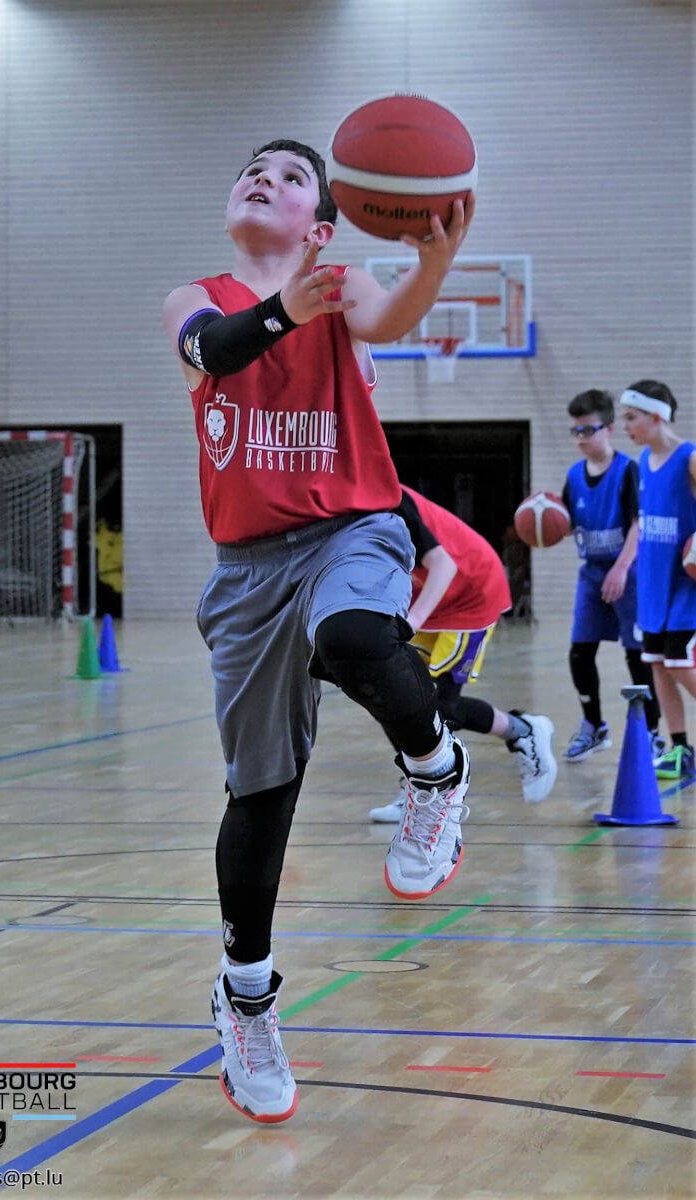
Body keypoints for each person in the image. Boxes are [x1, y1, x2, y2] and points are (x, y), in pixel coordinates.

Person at [162, 138, 475, 1123]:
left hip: (351, 525)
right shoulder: (192, 297)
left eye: (293, 177)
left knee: (350, 638)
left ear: (324, 226)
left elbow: (392, 316)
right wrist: (277, 312)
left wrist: (432, 260)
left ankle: (437, 770)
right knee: (260, 790)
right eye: (251, 169)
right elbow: (211, 348)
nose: (266, 178)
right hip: (247, 568)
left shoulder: (343, 286)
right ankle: (245, 998)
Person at [369, 486, 557, 821]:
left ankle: (523, 730)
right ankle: (419, 787)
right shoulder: (329, 507)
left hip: (472, 591)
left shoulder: (386, 499)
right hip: (428, 596)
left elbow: (443, 566)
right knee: (395, 697)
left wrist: (410, 622)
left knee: (440, 708)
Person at [561, 389, 663, 762]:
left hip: (630, 573)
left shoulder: (627, 469)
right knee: (579, 653)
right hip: (591, 575)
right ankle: (593, 727)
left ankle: (652, 734)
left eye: (588, 430)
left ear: (609, 429)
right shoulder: (573, 476)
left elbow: (640, 523)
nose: (582, 438)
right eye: (576, 432)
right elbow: (565, 525)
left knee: (637, 656)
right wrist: (539, 523)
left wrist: (621, 568)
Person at [621, 380, 696, 779]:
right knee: (659, 667)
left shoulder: (689, 458)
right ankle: (681, 748)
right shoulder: (642, 465)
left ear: (657, 416)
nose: (625, 426)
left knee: (681, 664)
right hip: (652, 583)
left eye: (631, 418)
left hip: (686, 585)